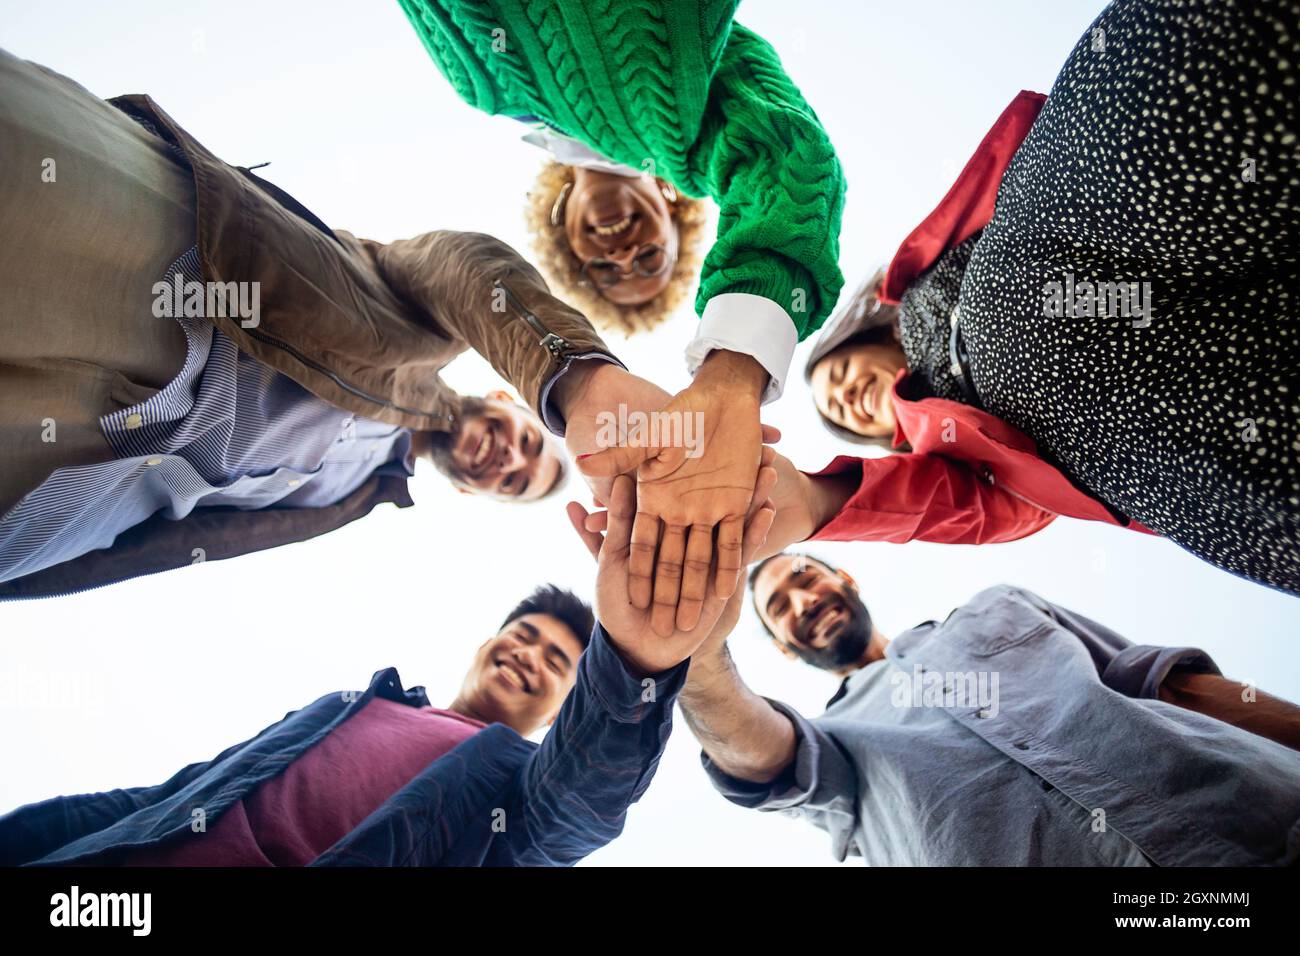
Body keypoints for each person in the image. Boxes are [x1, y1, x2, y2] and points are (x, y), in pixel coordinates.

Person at [0, 48, 664, 598]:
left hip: (78, 462)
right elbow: (464, 263)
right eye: (526, 442)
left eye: (514, 481)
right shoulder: (432, 334)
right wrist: (574, 382)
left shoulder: (352, 502)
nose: (508, 459)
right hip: (167, 267)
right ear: (503, 400)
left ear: (476, 492)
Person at [0, 485, 778, 867]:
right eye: (524, 636)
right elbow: (176, 792)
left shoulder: (515, 782)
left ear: (565, 704)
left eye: (557, 663)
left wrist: (635, 656)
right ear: (487, 642)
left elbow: (578, 803)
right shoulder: (354, 702)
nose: (529, 656)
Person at [806, 0, 1299, 594]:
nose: (845, 399)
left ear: (858, 338)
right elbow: (958, 510)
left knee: (1196, 73)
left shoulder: (916, 283)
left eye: (835, 378)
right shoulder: (946, 463)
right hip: (1136, 420)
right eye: (840, 416)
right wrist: (816, 502)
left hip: (1085, 219)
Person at [399, 0, 847, 629]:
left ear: (574, 240)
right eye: (649, 256)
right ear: (670, 199)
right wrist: (731, 377)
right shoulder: (683, 129)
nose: (622, 251)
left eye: (610, 269)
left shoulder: (480, 77)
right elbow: (792, 162)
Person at [675, 552, 1300, 866]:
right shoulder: (828, 745)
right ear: (783, 650)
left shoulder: (997, 606)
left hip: (1258, 809)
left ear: (847, 580)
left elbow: (1165, 682)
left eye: (804, 578)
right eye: (779, 608)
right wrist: (698, 663)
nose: (801, 602)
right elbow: (757, 755)